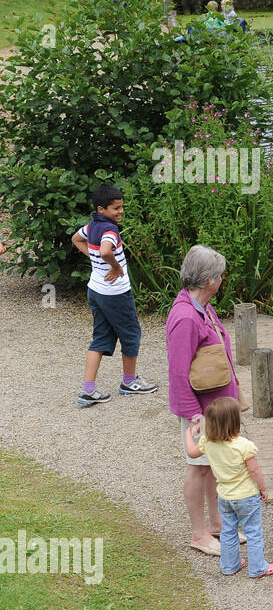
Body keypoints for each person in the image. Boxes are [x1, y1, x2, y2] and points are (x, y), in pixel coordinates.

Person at [166, 245, 242, 556]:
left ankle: (218, 525)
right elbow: (179, 372)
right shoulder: (185, 317)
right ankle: (199, 534)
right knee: (198, 467)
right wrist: (193, 415)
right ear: (209, 280)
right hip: (202, 411)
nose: (223, 280)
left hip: (217, 407)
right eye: (220, 276)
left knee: (213, 466)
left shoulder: (203, 307)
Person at [70, 184, 158, 407]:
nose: (120, 212)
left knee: (100, 338)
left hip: (95, 291)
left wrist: (94, 258)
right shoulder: (110, 230)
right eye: (115, 208)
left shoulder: (91, 226)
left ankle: (88, 390)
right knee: (131, 333)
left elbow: (75, 239)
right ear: (102, 209)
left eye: (121, 207)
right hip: (115, 294)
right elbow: (106, 251)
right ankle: (129, 382)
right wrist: (116, 267)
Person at [184, 397, 273, 579]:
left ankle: (230, 566)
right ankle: (258, 568)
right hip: (247, 497)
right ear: (236, 422)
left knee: (228, 531)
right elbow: (255, 470)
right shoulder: (244, 446)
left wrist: (189, 432)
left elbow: (191, 453)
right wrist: (263, 488)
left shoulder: (207, 443)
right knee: (253, 531)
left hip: (225, 497)